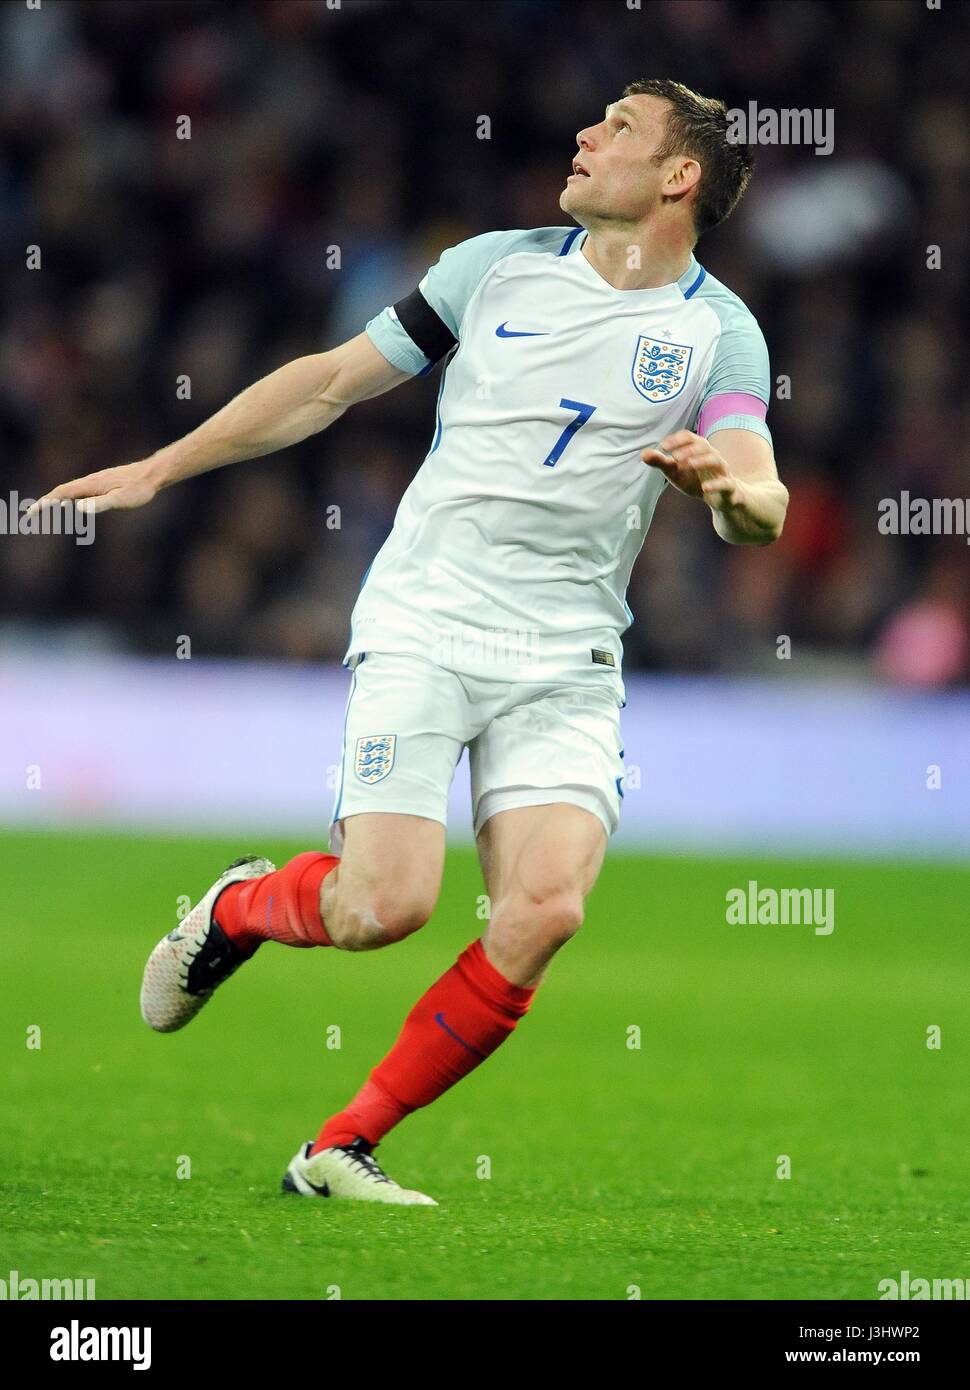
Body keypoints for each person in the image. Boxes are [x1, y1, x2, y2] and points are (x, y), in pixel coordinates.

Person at [34, 79, 789, 1205]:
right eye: (591, 119)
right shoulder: (493, 266)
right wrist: (161, 465)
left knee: (545, 911)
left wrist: (726, 493)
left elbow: (760, 495)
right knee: (381, 908)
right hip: (427, 619)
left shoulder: (715, 332)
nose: (582, 135)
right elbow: (332, 383)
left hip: (569, 655)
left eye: (619, 129)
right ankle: (241, 906)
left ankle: (339, 1147)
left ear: (678, 178)